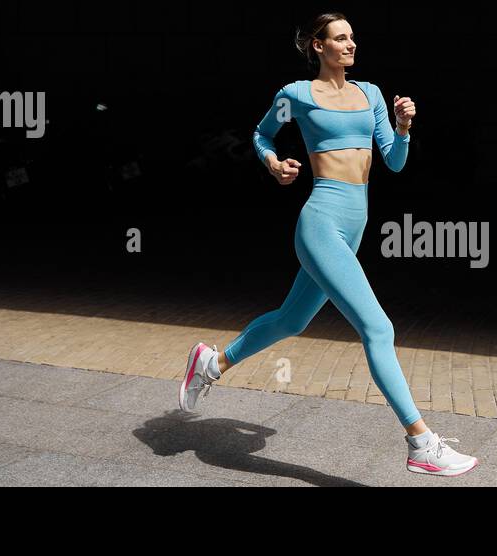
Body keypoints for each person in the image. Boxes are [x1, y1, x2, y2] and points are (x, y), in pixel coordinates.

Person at [178, 12, 478, 477]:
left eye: (353, 37)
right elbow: (261, 134)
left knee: (291, 320)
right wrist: (274, 163)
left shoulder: (371, 94)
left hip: (354, 226)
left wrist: (402, 128)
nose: (351, 44)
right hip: (320, 224)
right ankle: (421, 442)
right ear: (318, 46)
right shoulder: (295, 95)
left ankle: (211, 362)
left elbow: (394, 163)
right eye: (341, 38)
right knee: (379, 330)